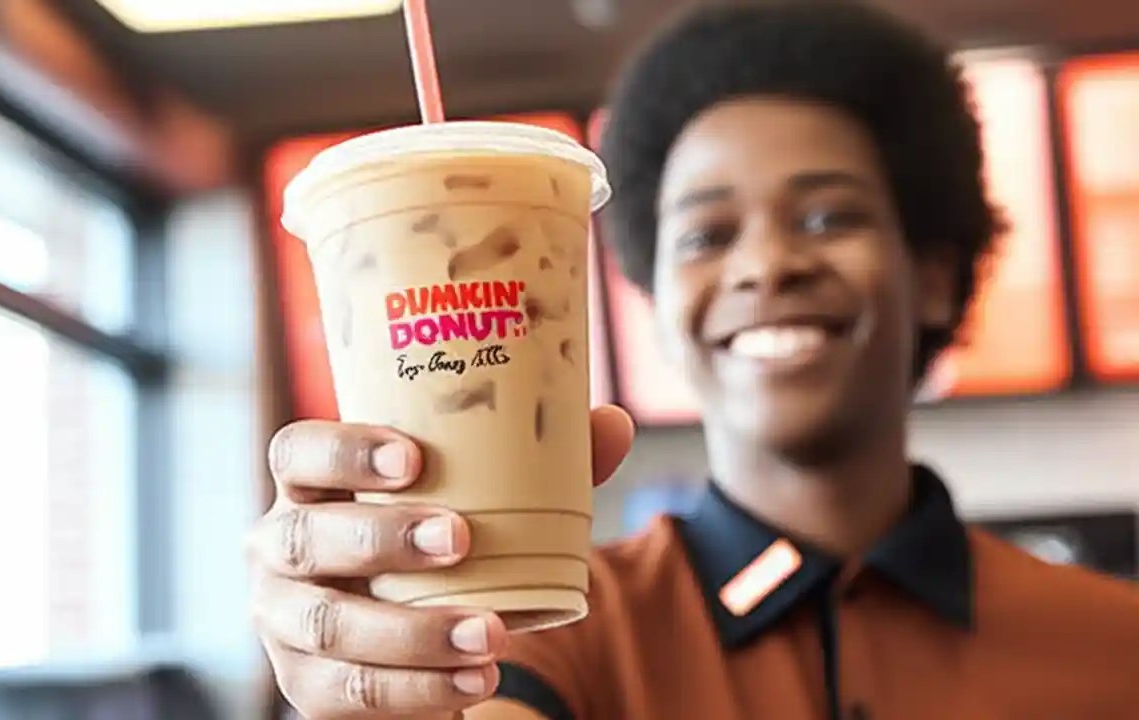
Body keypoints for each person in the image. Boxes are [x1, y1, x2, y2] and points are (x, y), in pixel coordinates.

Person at [245, 2, 1139, 718]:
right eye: (708, 233)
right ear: (656, 301)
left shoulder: (1114, 646)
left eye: (828, 217)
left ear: (936, 275)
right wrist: (372, 683)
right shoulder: (524, 632)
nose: (766, 265)